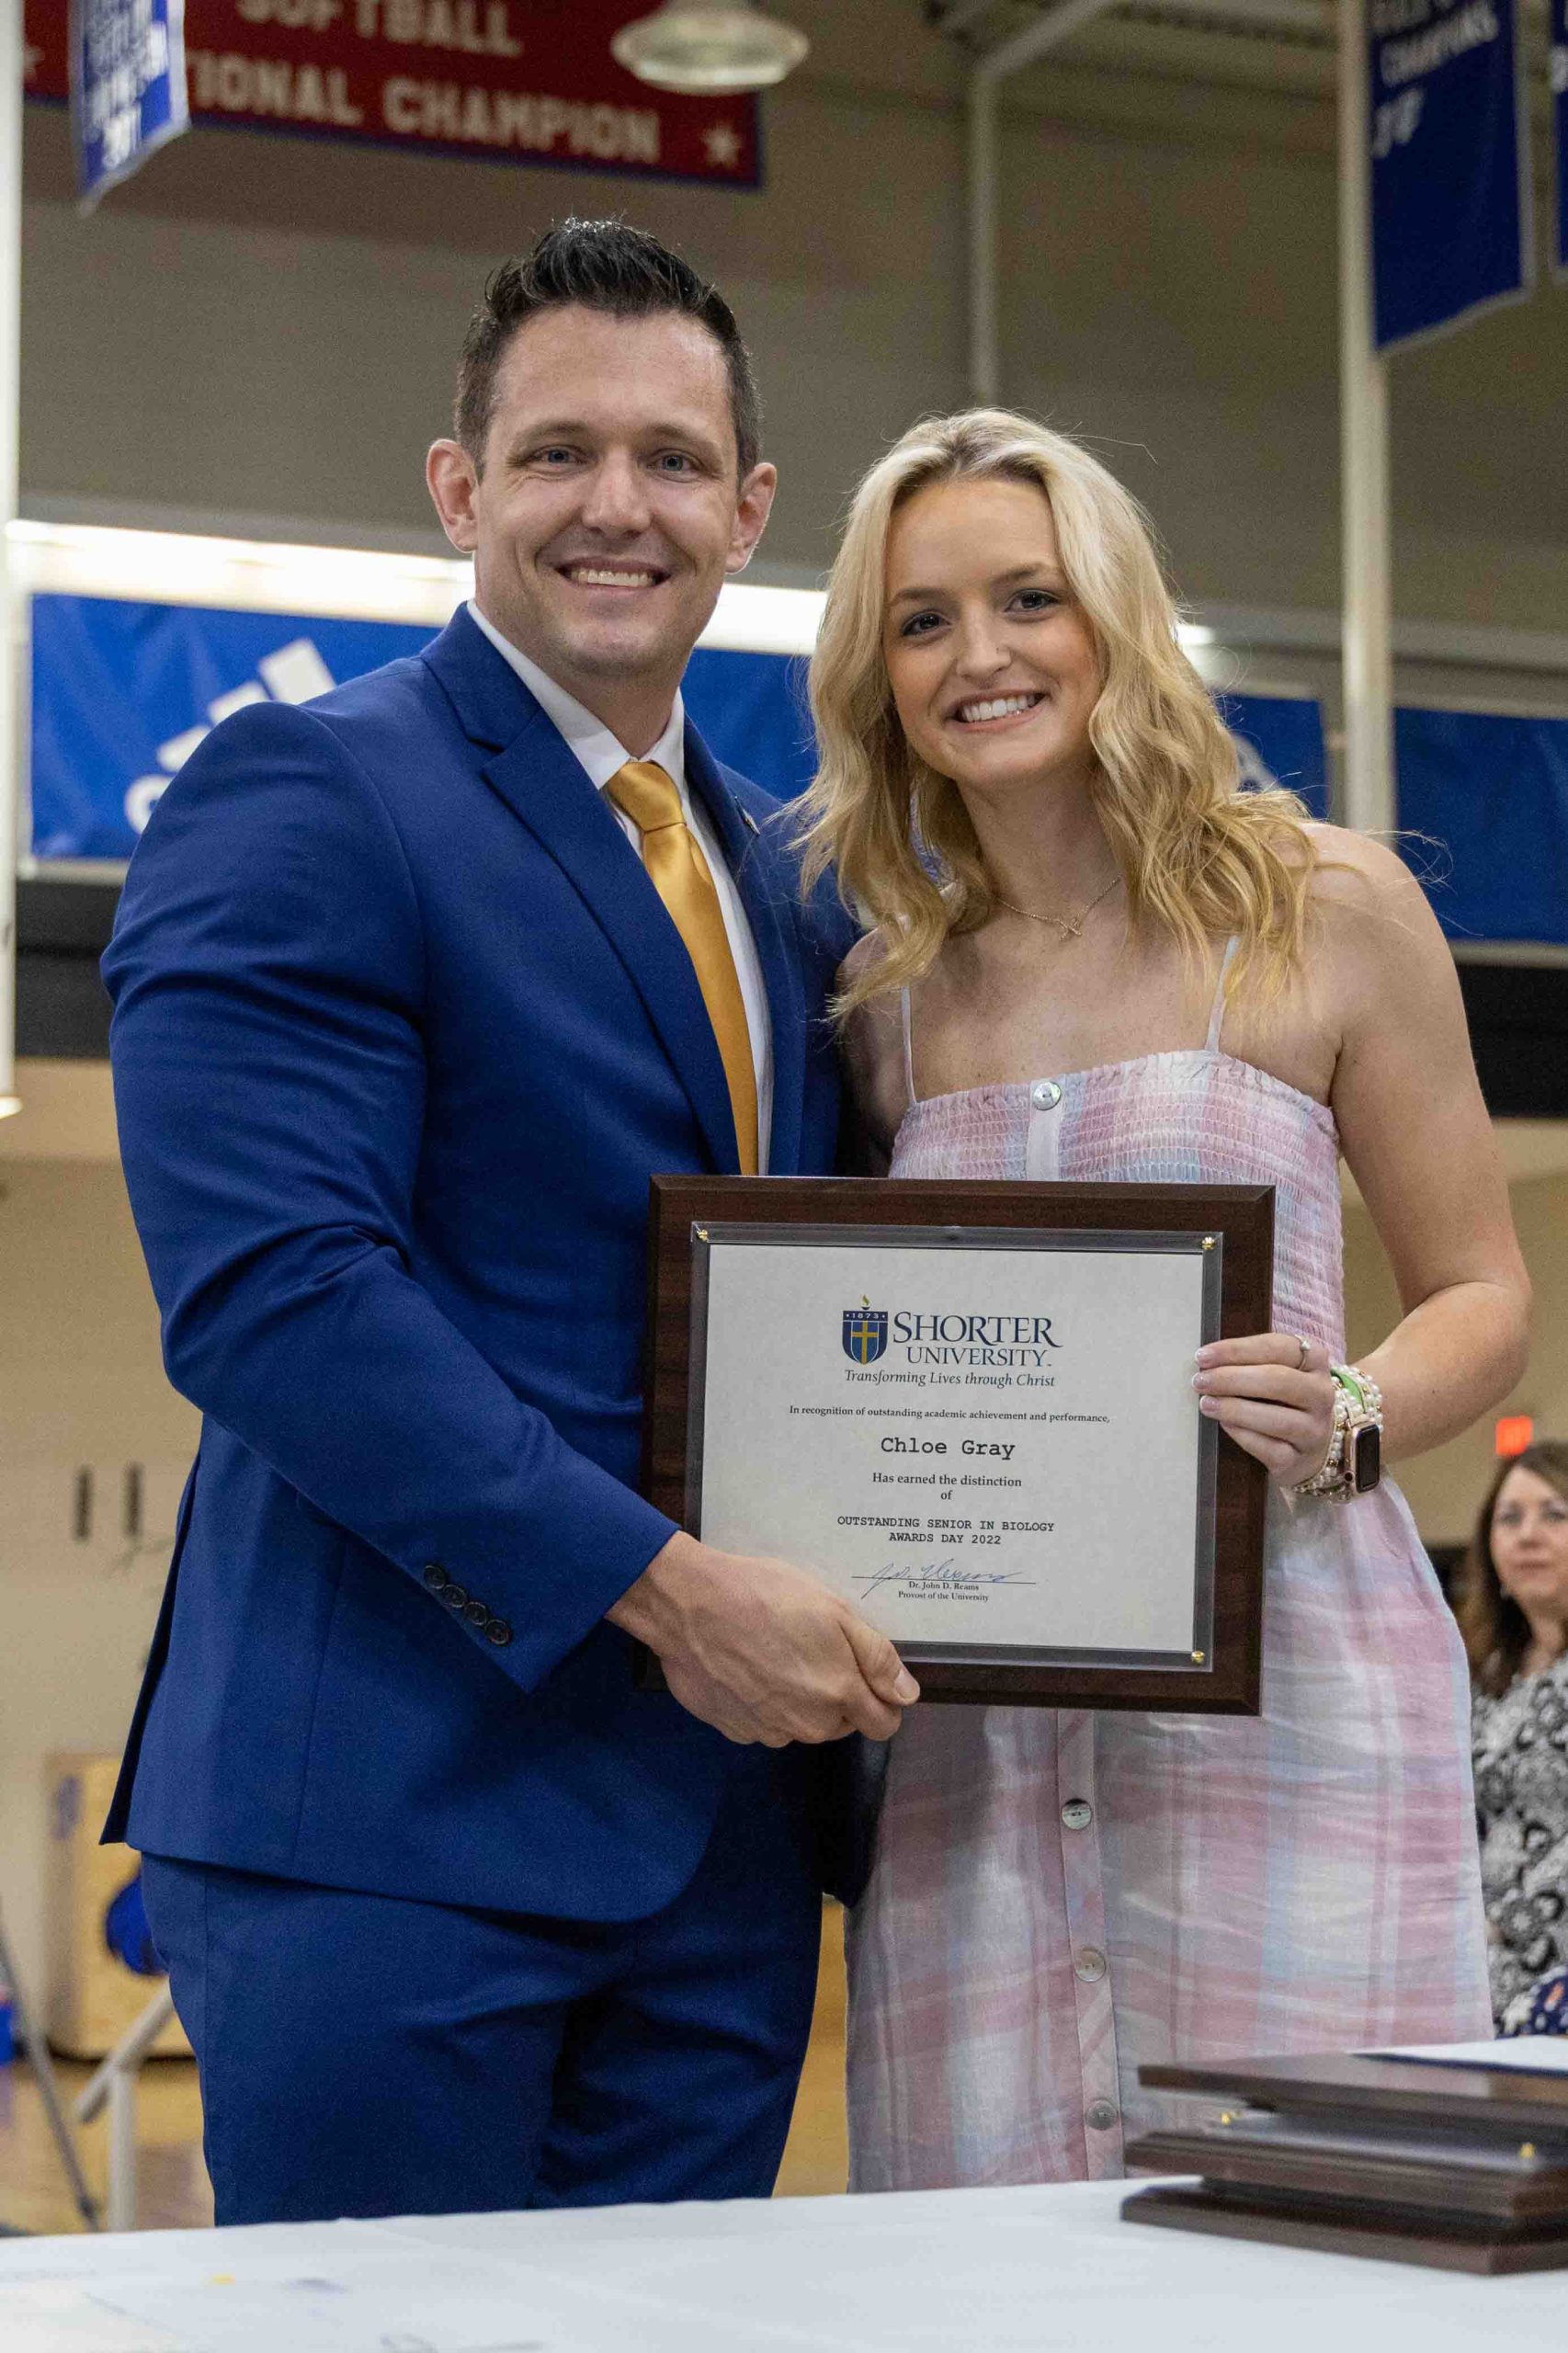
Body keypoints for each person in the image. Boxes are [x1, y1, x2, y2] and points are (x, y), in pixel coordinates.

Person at [100, 219, 916, 2227]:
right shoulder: (305, 788)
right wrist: (663, 1587)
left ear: (748, 512)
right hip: (387, 1834)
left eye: (665, 459)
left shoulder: (784, 870)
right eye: (557, 454)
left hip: (717, 1854)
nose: (612, 506)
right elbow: (275, 1296)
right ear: (459, 488)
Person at [795, 407, 1531, 2191]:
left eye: (1027, 596)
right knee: (980, 2273)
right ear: (874, 675)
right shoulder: (886, 1000)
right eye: (920, 620)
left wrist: (1350, 1413)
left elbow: (1481, 1288)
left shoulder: (1322, 907)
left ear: (1114, 614)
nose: (979, 655)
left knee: (1315, 2247)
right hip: (976, 1754)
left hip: (1294, 1701)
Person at [1460, 1441, 1568, 2033]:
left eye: (1555, 1514)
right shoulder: (1483, 1672)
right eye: (1510, 1517)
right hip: (1470, 1957)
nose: (1528, 1534)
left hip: (1549, 1963)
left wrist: (1505, 1923)